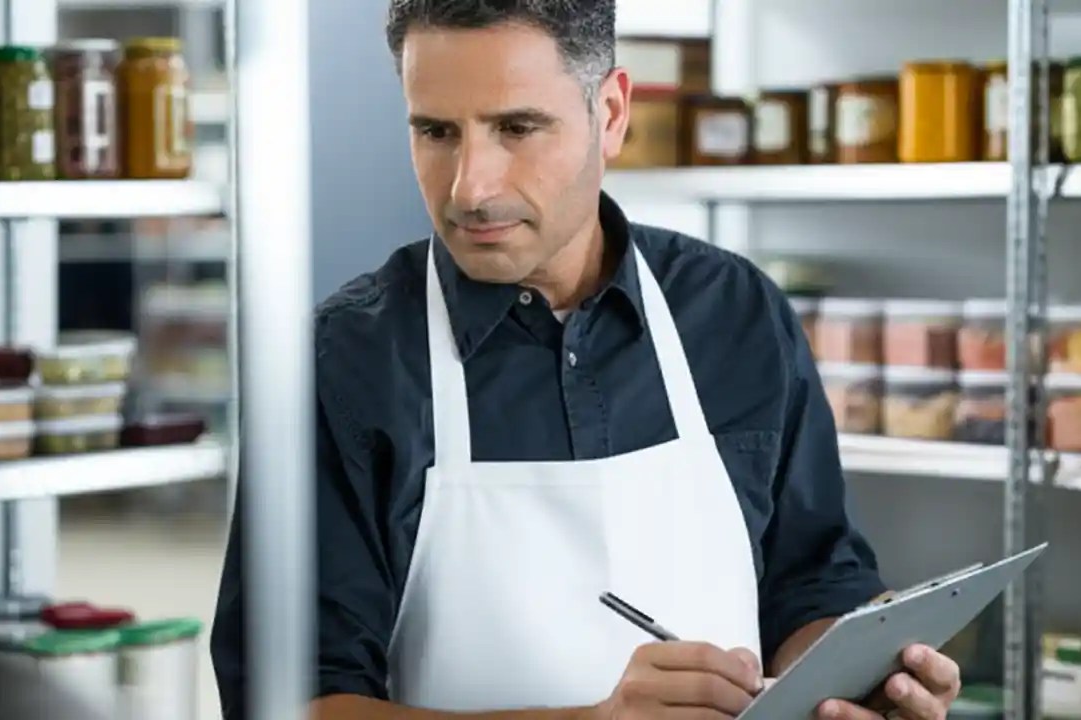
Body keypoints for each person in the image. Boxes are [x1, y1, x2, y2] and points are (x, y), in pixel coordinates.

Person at [212, 1, 964, 718]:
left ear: (610, 115)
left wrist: (854, 681)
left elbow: (813, 585)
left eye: (516, 127)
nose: (471, 187)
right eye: (437, 132)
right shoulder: (344, 361)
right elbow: (287, 702)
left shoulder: (734, 313)